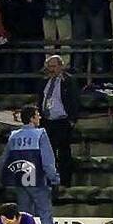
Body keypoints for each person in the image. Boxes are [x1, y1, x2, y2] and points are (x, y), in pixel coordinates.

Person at [0, 105, 68, 224]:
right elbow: (48, 162)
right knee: (46, 216)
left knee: (22, 219)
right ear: (31, 118)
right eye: (37, 115)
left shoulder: (14, 136)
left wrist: (2, 179)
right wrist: (55, 179)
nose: (40, 118)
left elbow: (4, 160)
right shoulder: (40, 134)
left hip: (20, 182)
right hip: (38, 182)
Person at [37, 55, 79, 186]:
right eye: (49, 66)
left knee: (64, 153)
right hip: (47, 122)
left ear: (61, 66)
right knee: (49, 153)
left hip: (62, 121)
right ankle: (51, 180)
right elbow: (40, 99)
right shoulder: (44, 81)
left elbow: (74, 99)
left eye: (54, 66)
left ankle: (65, 182)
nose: (51, 69)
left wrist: (72, 119)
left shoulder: (68, 81)